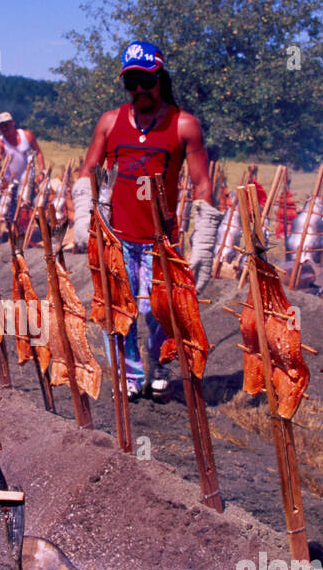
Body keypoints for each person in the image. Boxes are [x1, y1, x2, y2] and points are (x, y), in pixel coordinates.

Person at [72, 41, 221, 401]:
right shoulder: (111, 121)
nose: (139, 90)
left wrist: (204, 239)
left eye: (146, 81)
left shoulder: (184, 125)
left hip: (160, 239)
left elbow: (202, 184)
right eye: (131, 83)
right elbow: (89, 170)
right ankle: (130, 375)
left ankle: (160, 365)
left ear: (160, 79)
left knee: (158, 310)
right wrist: (83, 213)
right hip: (118, 236)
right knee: (118, 310)